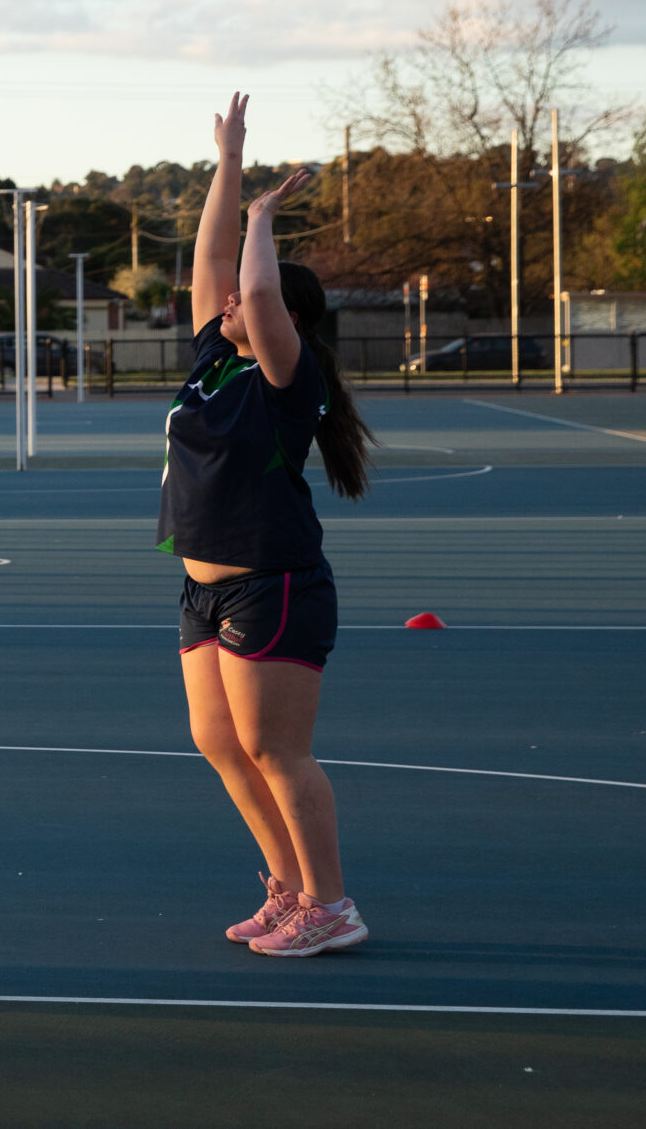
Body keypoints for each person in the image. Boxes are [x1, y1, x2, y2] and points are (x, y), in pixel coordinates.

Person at [163, 94, 375, 958]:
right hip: (203, 588)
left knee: (275, 749)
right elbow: (216, 269)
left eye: (245, 304)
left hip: (274, 583)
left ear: (278, 319)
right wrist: (229, 161)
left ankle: (332, 903)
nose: (223, 305)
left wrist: (262, 216)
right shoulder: (218, 356)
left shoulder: (289, 382)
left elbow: (252, 279)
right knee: (220, 744)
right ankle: (288, 888)